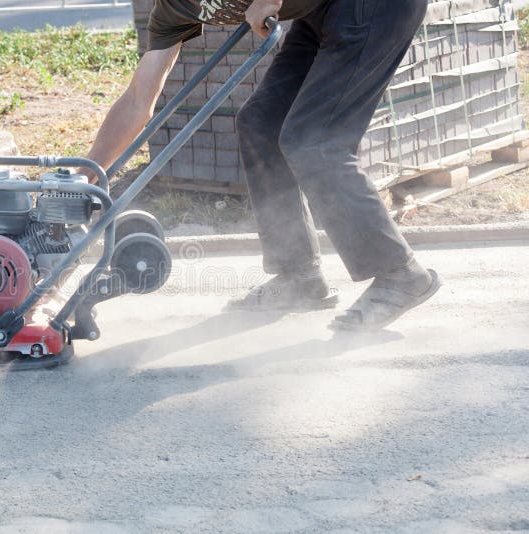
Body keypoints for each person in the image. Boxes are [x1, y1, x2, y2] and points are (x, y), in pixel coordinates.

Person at [83, 0, 441, 331]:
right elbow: (137, 101)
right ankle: (298, 277)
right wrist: (85, 176)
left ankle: (399, 273)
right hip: (320, 15)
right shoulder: (173, 9)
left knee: (314, 142)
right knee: (261, 123)